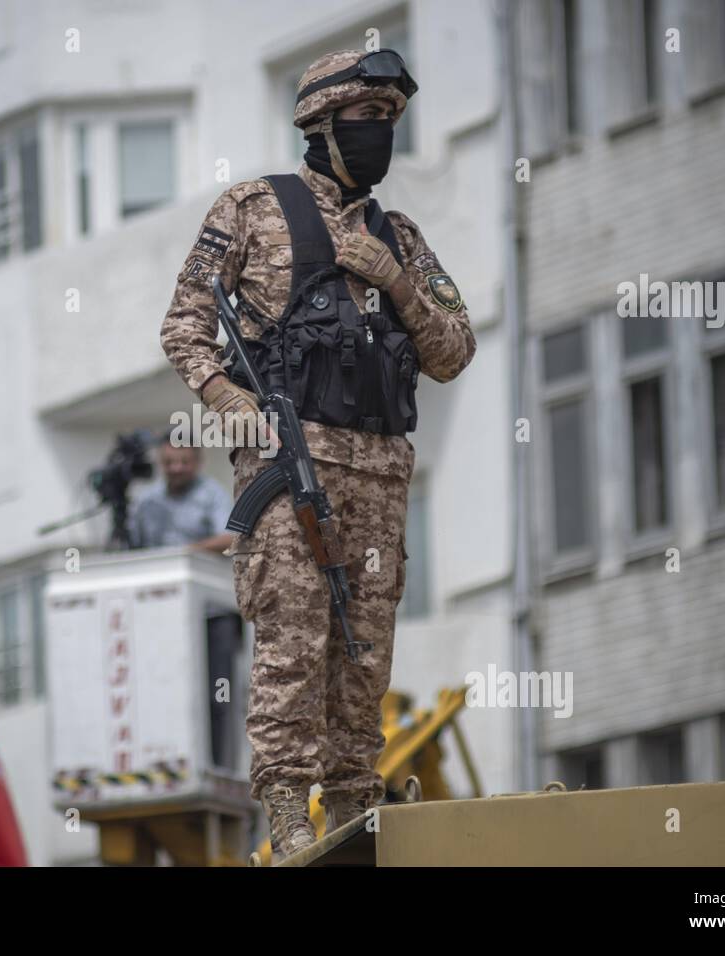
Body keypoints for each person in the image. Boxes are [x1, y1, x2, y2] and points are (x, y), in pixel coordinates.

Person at [159, 49, 477, 860]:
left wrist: (397, 283)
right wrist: (232, 405)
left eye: (391, 125)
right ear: (324, 125)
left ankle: (348, 815)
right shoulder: (254, 208)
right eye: (369, 121)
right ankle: (289, 820)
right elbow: (185, 323)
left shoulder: (396, 234)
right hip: (292, 471)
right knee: (293, 649)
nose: (382, 139)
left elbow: (453, 349)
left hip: (379, 477)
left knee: (362, 664)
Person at [129, 434, 234, 553]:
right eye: (169, 462)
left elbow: (229, 539)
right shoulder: (146, 499)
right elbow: (132, 543)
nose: (176, 468)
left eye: (184, 462)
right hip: (151, 569)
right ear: (160, 462)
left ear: (198, 462)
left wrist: (184, 554)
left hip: (199, 569)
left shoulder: (214, 495)